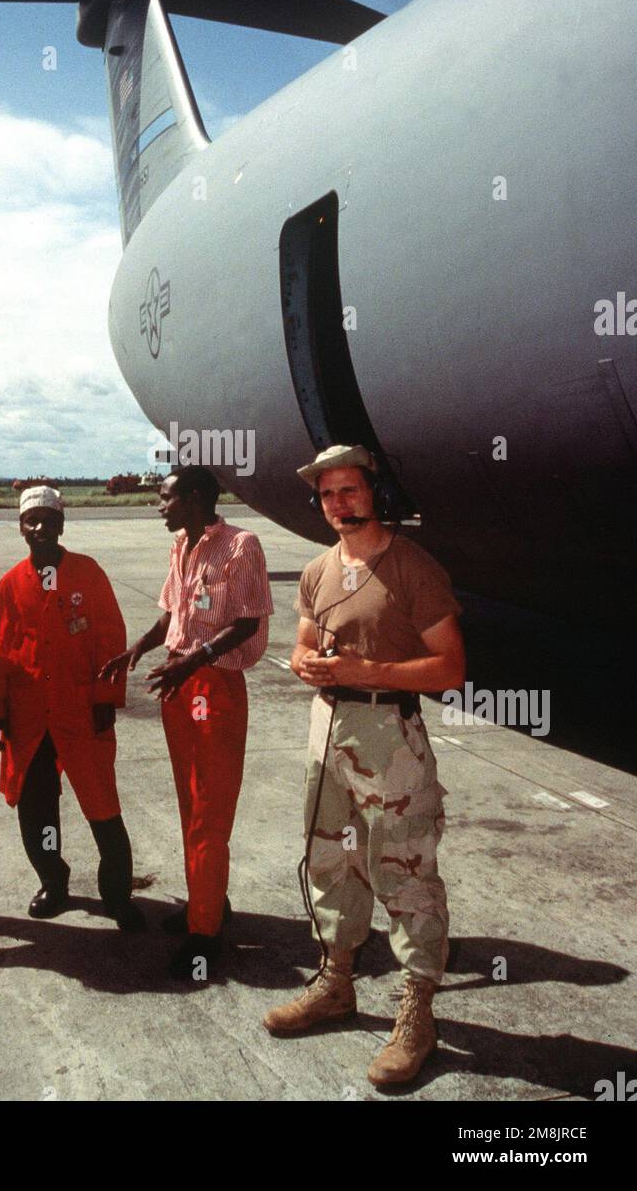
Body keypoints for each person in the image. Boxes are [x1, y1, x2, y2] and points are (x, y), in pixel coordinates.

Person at [262, 444, 465, 1088]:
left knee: (403, 867)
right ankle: (337, 982)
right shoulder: (319, 570)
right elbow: (299, 642)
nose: (339, 504)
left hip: (389, 731)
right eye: (327, 495)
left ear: (375, 492)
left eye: (349, 491)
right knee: (330, 858)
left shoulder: (412, 567)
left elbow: (451, 668)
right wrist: (305, 663)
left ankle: (417, 1014)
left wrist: (365, 671)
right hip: (329, 726)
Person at [100, 466, 273, 980]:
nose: (160, 505)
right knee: (190, 802)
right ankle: (208, 904)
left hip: (213, 687)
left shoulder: (242, 546)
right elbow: (172, 613)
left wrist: (193, 661)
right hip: (181, 684)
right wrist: (137, 648)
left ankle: (205, 936)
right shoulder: (181, 545)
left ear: (194, 498)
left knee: (209, 810)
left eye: (166, 497)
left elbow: (247, 621)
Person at [0, 486, 144, 931]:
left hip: (80, 710)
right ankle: (53, 881)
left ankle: (116, 893)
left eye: (48, 520)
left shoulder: (88, 574)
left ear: (61, 525)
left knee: (102, 804)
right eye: (31, 521)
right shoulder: (10, 585)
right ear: (21, 527)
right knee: (37, 808)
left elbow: (110, 638)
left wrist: (106, 698)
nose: (40, 528)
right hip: (29, 717)